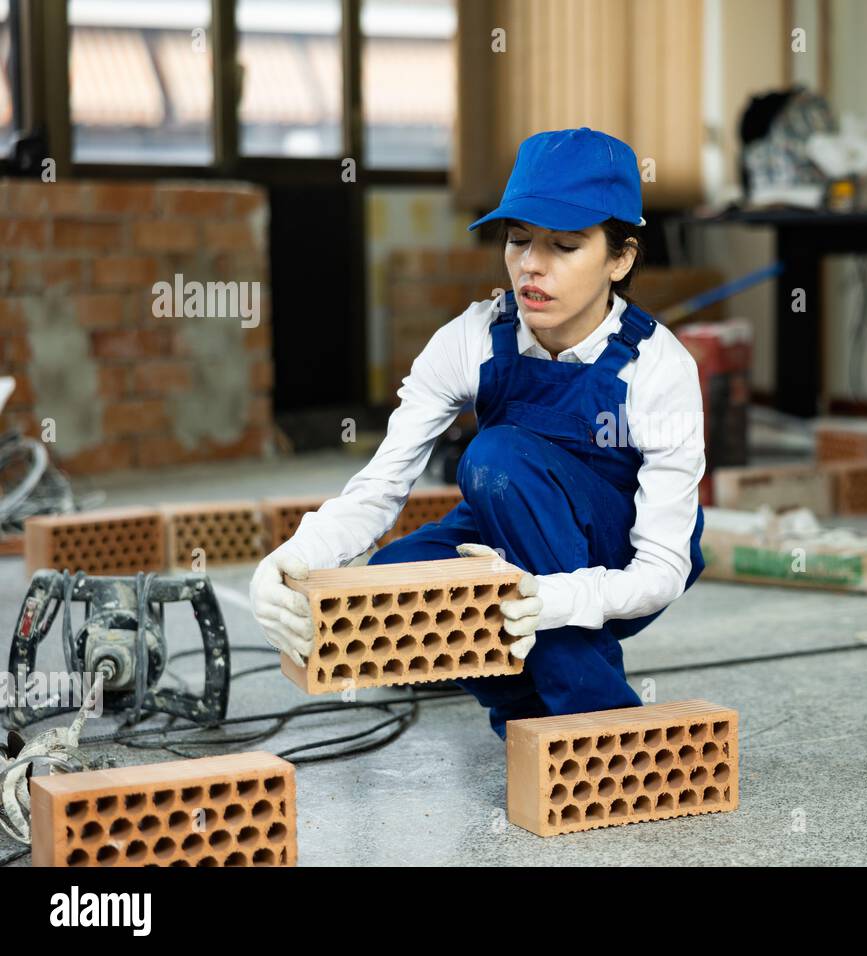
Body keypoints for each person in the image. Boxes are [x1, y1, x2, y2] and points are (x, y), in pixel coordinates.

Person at [251, 127, 707, 738]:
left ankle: (600, 721)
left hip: (616, 549)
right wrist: (291, 559)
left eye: (564, 245)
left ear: (620, 258)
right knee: (396, 584)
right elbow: (380, 488)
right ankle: (526, 716)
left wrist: (552, 599)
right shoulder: (471, 339)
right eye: (518, 240)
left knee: (497, 457)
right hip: (511, 526)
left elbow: (662, 569)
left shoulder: (657, 368)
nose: (532, 265)